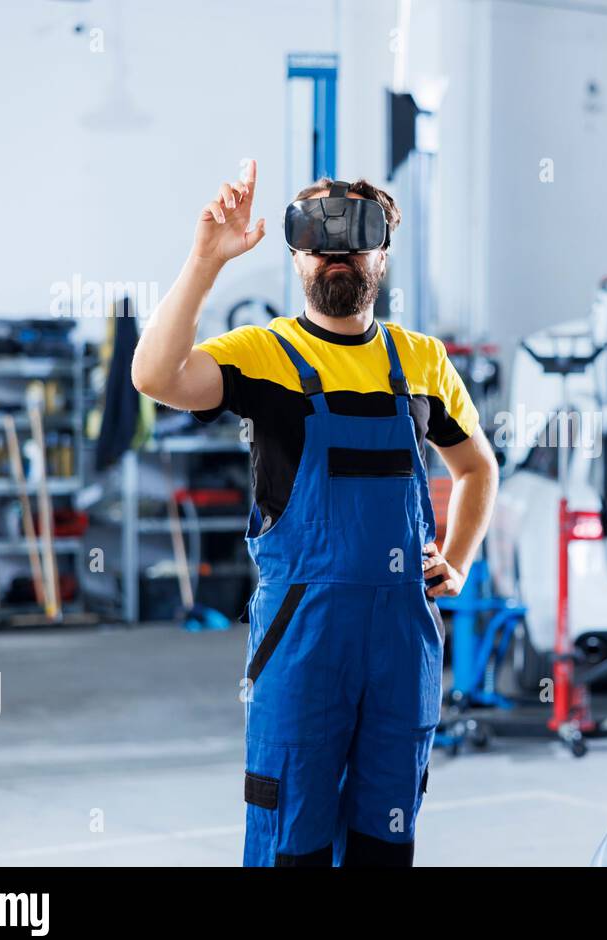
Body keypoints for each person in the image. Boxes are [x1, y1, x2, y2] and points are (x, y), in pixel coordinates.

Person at [131, 160, 498, 867]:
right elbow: (155, 376)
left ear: (381, 254)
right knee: (289, 842)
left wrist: (458, 557)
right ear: (298, 256)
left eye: (355, 237)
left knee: (384, 842)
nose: (336, 253)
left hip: (402, 645)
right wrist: (206, 260)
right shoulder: (266, 354)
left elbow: (479, 466)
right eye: (317, 238)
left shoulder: (419, 359)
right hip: (302, 644)